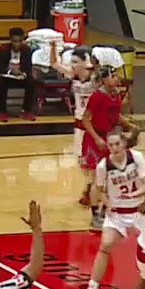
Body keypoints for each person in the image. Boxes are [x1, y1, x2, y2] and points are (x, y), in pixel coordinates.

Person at [83, 128, 145, 289]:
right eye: (110, 145)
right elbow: (98, 190)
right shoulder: (103, 166)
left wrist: (135, 193)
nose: (114, 147)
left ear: (124, 144)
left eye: (117, 144)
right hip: (117, 215)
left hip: (139, 212)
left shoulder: (136, 158)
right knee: (105, 246)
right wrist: (105, 202)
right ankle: (92, 288)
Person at [81, 66, 137, 229]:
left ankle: (105, 210)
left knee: (108, 177)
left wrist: (128, 124)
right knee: (95, 177)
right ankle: (94, 215)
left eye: (117, 76)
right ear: (104, 79)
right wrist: (97, 138)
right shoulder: (97, 96)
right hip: (95, 138)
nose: (117, 79)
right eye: (113, 76)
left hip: (109, 138)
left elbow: (115, 114)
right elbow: (85, 119)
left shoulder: (116, 95)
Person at [56, 46, 97, 204]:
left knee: (97, 159)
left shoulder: (95, 78)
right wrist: (54, 47)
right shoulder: (73, 75)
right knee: (82, 160)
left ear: (84, 62)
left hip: (94, 122)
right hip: (79, 122)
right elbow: (55, 64)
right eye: (71, 62)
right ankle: (90, 187)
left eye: (75, 61)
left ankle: (93, 189)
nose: (72, 65)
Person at [0, 27, 37, 122]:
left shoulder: (26, 49)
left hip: (19, 77)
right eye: (14, 41)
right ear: (10, 40)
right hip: (6, 77)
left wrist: (23, 74)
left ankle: (26, 110)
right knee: (1, 83)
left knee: (31, 81)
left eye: (19, 41)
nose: (17, 44)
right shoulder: (4, 49)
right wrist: (11, 72)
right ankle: (2, 111)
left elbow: (28, 67)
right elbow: (0, 67)